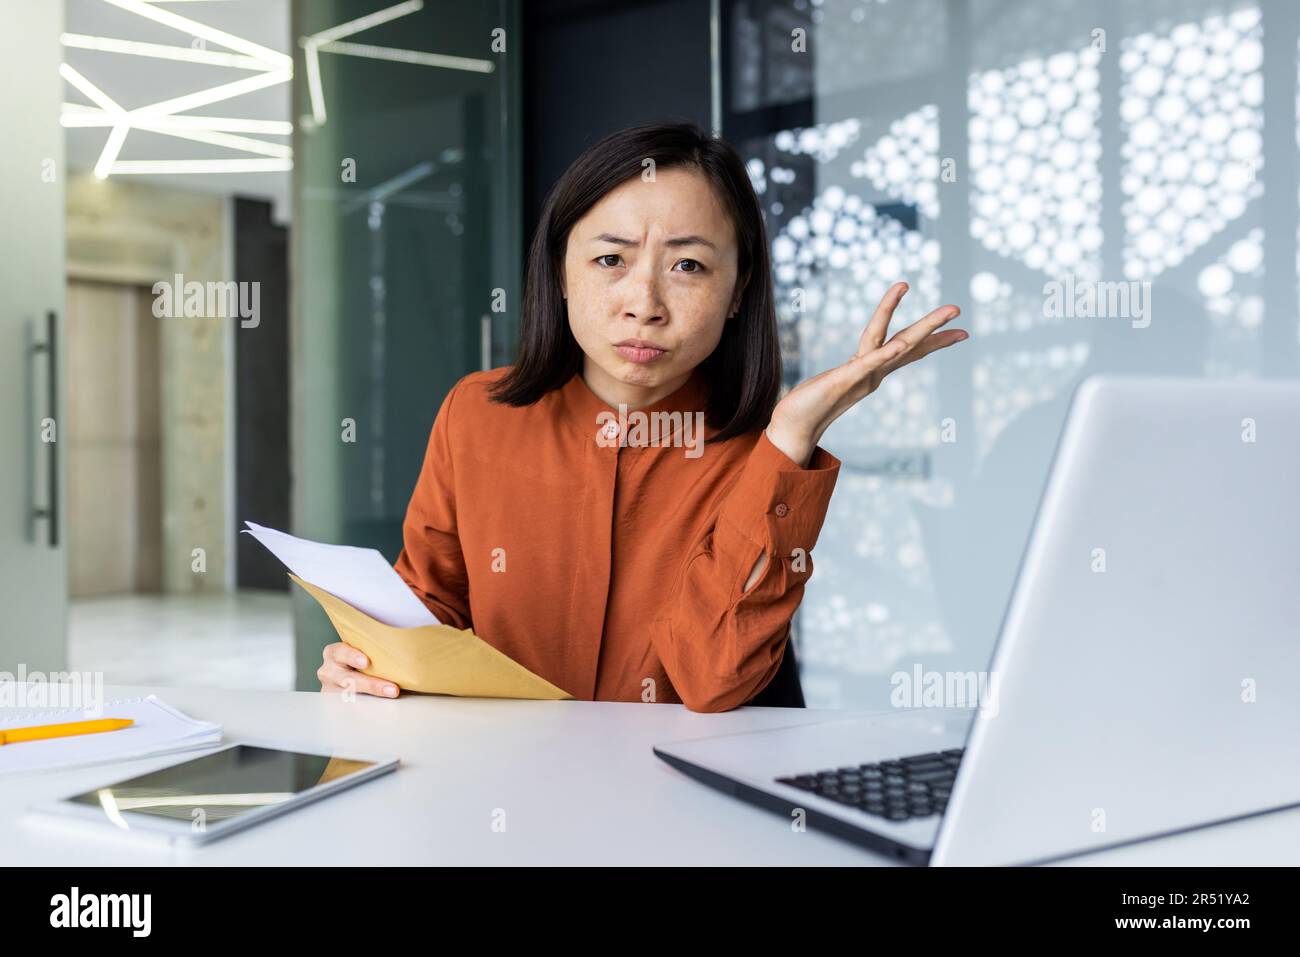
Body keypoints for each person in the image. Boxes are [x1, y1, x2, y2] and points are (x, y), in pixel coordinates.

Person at [317, 121, 967, 711]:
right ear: (561, 272)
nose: (644, 303)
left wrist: (791, 439)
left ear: (739, 289)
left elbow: (713, 680)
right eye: (611, 259)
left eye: (688, 265)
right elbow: (425, 615)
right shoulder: (476, 414)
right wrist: (369, 663)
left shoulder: (761, 454)